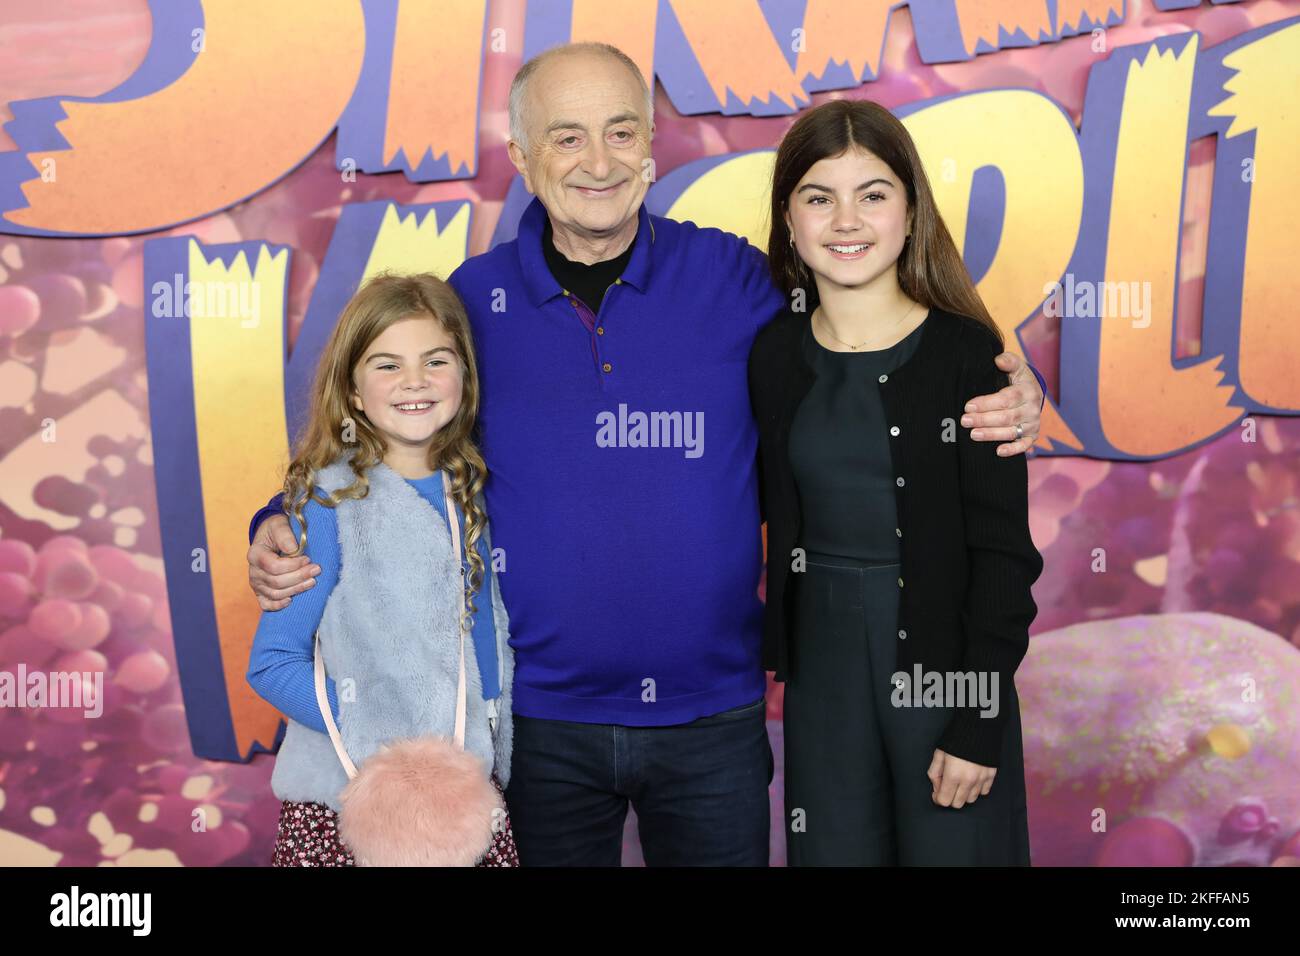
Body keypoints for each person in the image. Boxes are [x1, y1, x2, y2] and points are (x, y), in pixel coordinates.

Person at [245, 43, 1046, 867]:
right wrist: (282, 518)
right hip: (541, 725)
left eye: (622, 133)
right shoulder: (473, 301)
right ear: (520, 157)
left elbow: (870, 337)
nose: (599, 162)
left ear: (652, 148)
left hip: (715, 723)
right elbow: (387, 425)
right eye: (567, 138)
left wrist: (1011, 387)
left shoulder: (734, 277)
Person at [748, 99, 1044, 865]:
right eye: (820, 197)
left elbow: (1004, 556)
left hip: (947, 678)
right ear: (789, 219)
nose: (846, 220)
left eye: (873, 194)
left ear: (911, 212)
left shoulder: (966, 356)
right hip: (823, 682)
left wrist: (978, 718)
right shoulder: (772, 355)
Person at [245, 273, 517, 867]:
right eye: (387, 365)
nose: (415, 382)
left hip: (470, 802)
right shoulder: (328, 503)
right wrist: (385, 748)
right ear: (353, 391)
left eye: (436, 360)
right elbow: (272, 663)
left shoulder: (475, 491)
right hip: (349, 806)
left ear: (465, 377)